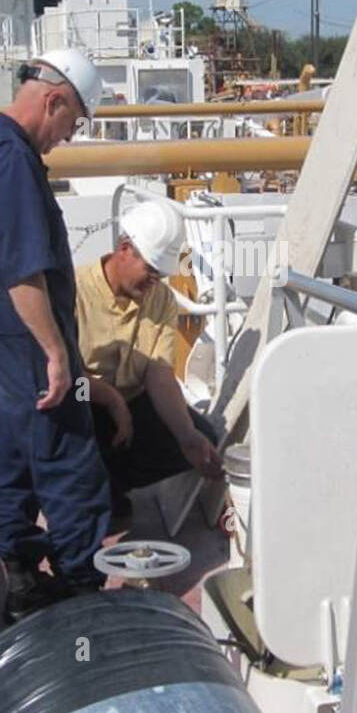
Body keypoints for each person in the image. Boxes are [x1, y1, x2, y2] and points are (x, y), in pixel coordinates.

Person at [0, 48, 111, 623]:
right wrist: (55, 352)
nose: (67, 137)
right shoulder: (14, 159)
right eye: (73, 122)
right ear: (54, 99)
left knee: (12, 446)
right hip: (25, 329)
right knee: (68, 453)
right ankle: (78, 592)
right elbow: (23, 269)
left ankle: (20, 577)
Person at [75, 199, 223, 518]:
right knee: (72, 412)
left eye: (160, 274)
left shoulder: (161, 299)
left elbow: (159, 374)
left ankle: (108, 485)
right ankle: (94, 486)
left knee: (201, 437)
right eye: (150, 270)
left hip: (133, 399)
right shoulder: (75, 291)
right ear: (124, 248)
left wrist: (187, 437)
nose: (154, 281)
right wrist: (110, 400)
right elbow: (62, 377)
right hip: (83, 397)